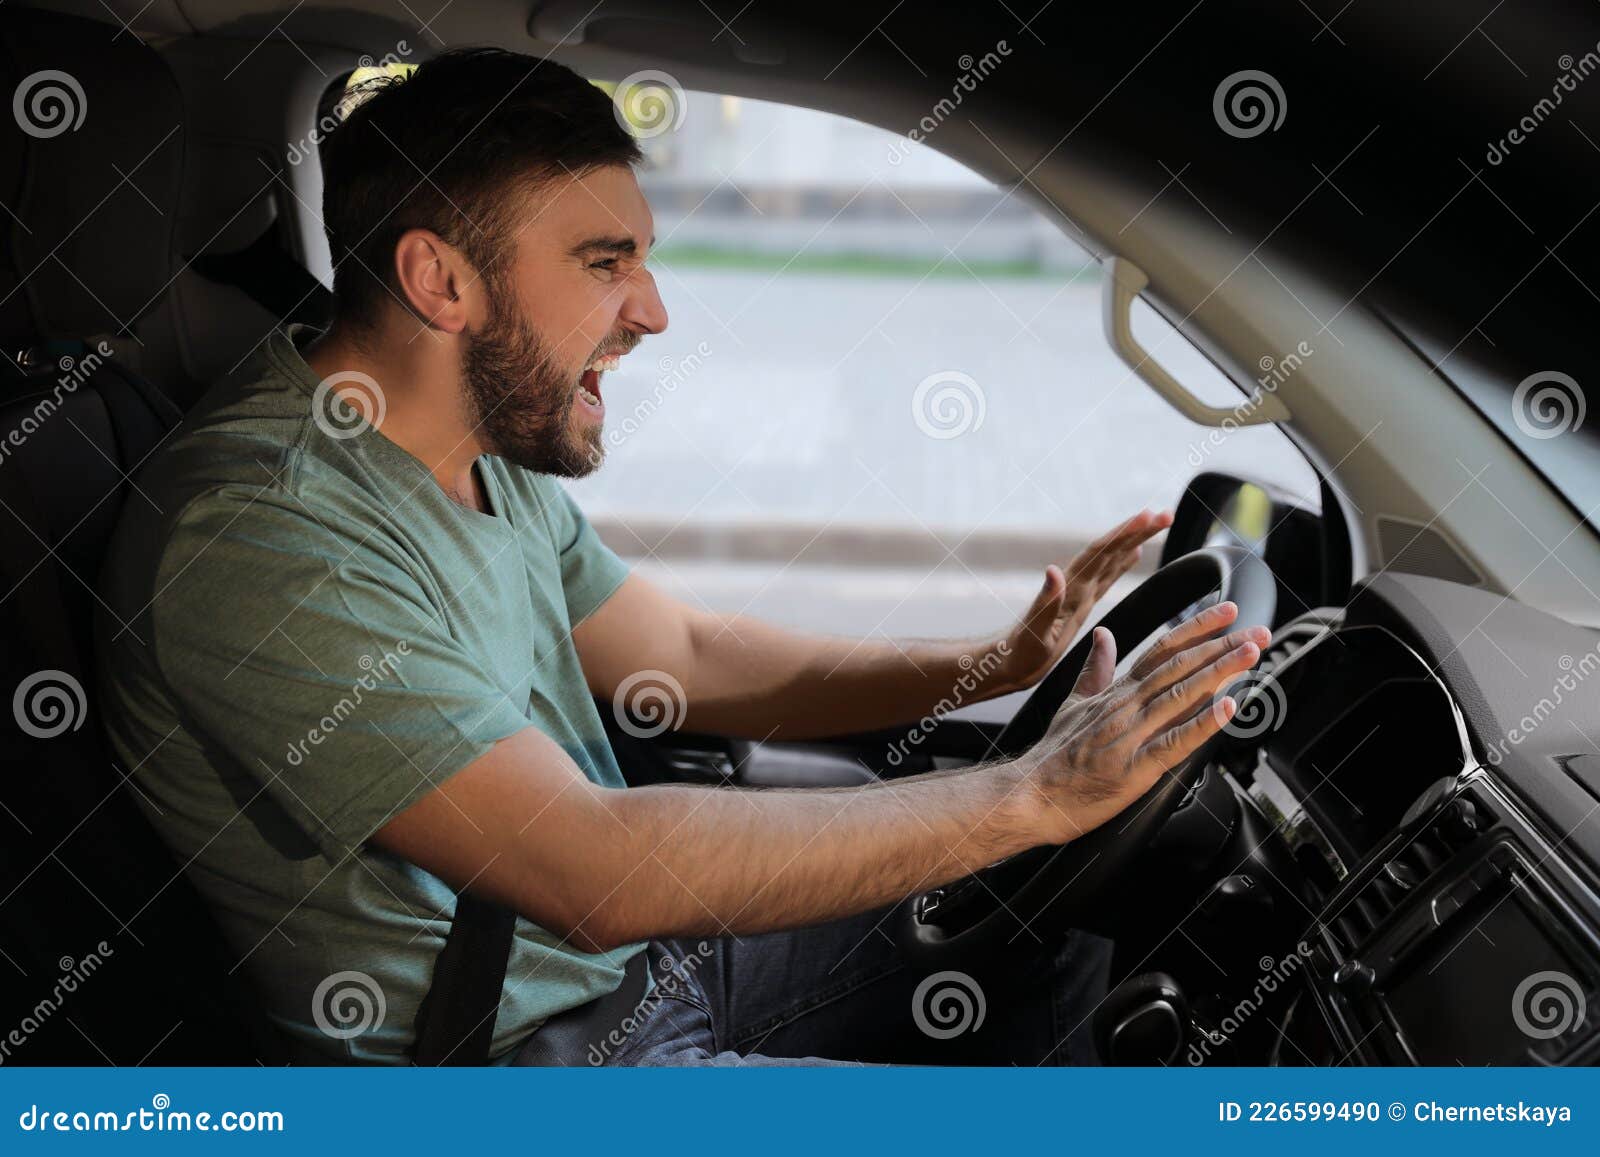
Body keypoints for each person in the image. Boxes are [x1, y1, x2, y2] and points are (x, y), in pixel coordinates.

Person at [96, 48, 1268, 1065]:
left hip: (630, 974)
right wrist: (1034, 791)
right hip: (508, 1058)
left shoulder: (467, 439)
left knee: (1039, 928)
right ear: (439, 281)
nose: (652, 311)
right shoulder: (264, 535)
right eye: (605, 262)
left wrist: (994, 664)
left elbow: (684, 649)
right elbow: (589, 872)